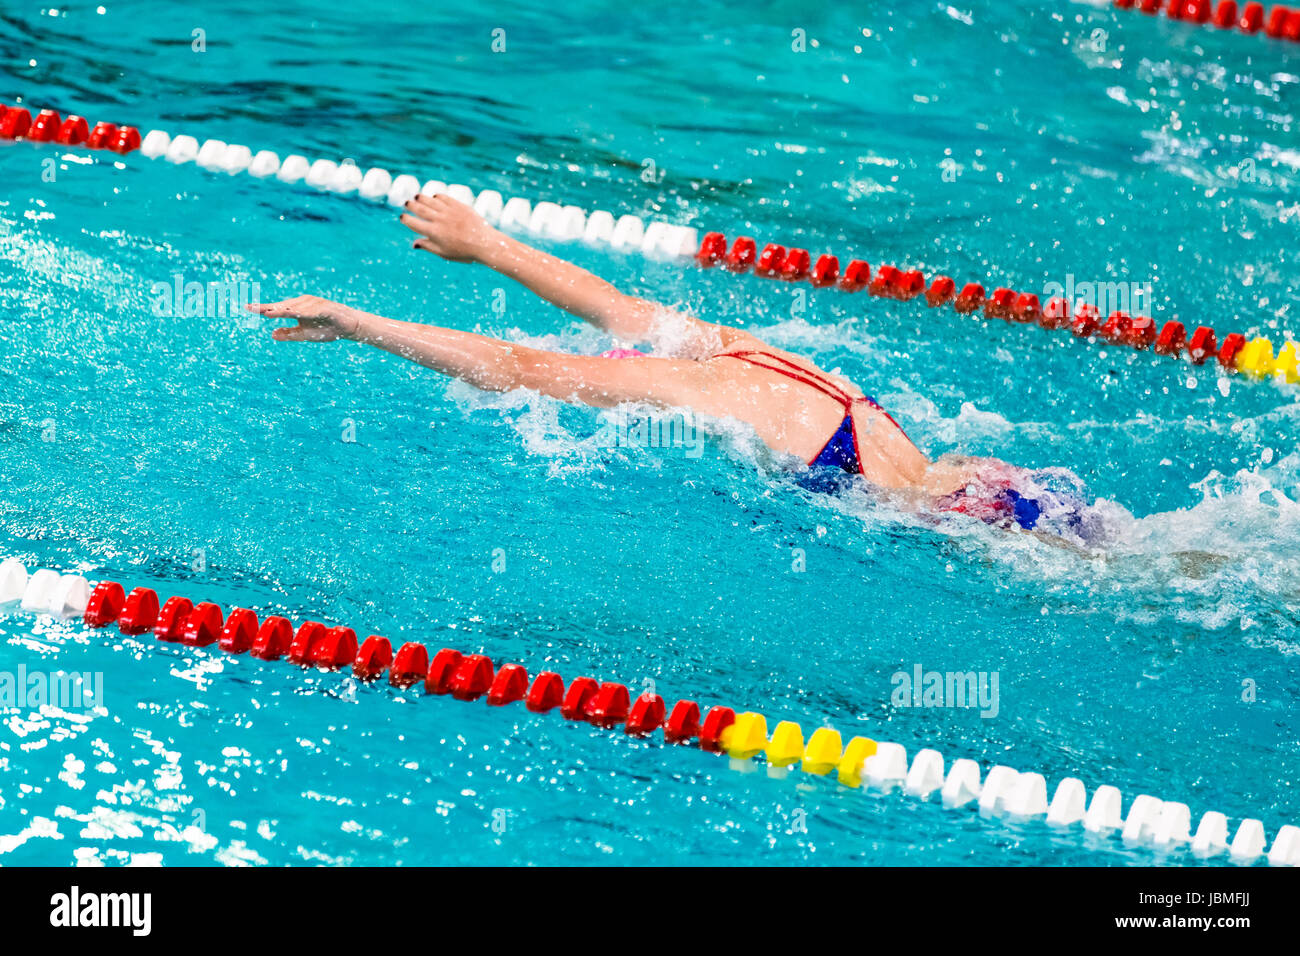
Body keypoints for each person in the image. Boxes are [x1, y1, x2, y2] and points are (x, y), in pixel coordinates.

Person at [246, 194, 1095, 538]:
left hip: (945, 517)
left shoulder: (685, 382)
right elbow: (609, 305)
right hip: (971, 478)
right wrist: (485, 244)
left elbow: (509, 366)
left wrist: (353, 322)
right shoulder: (734, 346)